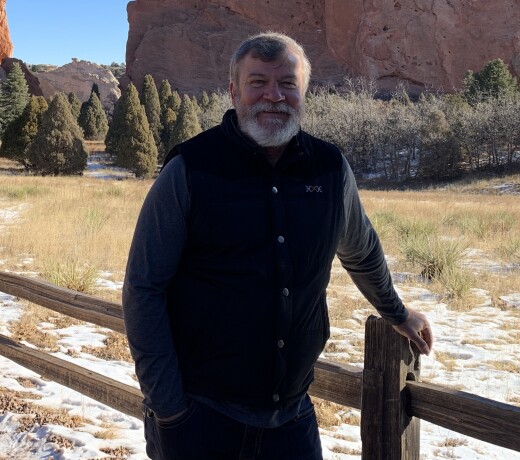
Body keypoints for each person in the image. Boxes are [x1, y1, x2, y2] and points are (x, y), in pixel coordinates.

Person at [122, 32, 433, 460]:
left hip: (291, 416)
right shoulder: (190, 169)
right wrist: (169, 409)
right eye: (258, 82)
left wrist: (397, 313)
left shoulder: (329, 169)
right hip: (200, 414)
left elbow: (360, 251)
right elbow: (144, 287)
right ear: (234, 92)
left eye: (288, 83)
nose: (274, 95)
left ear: (304, 92)